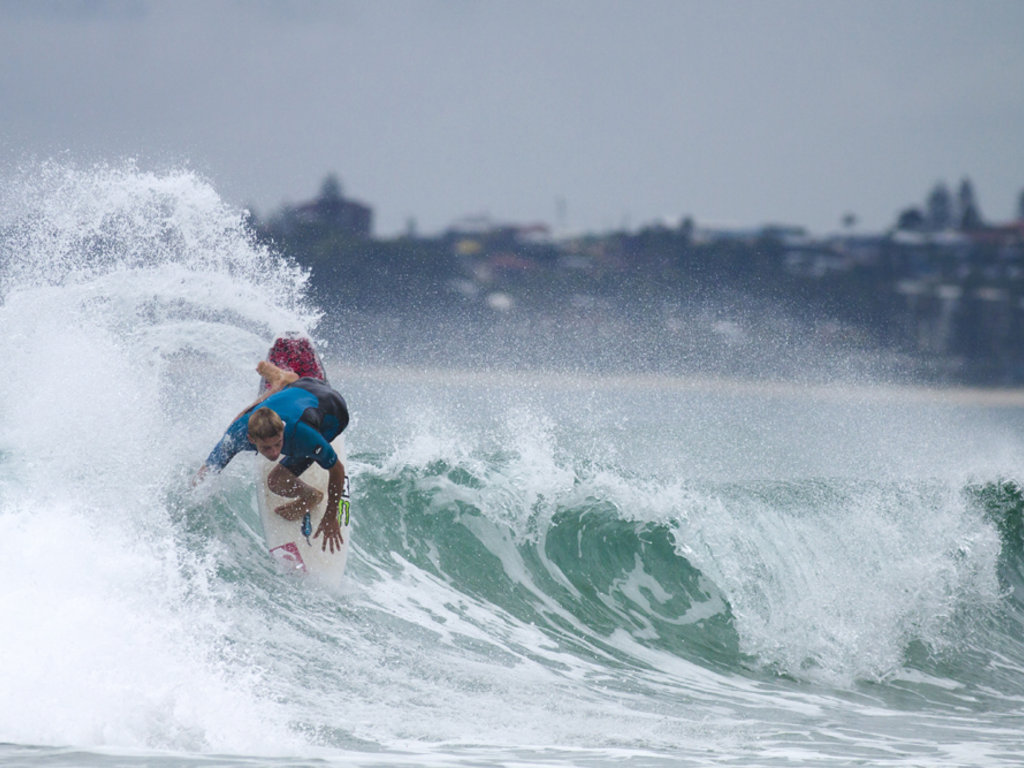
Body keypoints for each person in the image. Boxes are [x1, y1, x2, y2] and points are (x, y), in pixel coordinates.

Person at [196, 361, 350, 553]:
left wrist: (330, 515)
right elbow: (206, 471)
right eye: (266, 448)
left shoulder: (302, 435)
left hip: (333, 411)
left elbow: (337, 469)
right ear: (251, 439)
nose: (275, 453)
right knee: (234, 425)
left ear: (282, 431)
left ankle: (312, 496)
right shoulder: (239, 433)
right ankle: (280, 383)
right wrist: (193, 494)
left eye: (278, 444)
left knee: (277, 481)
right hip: (297, 390)